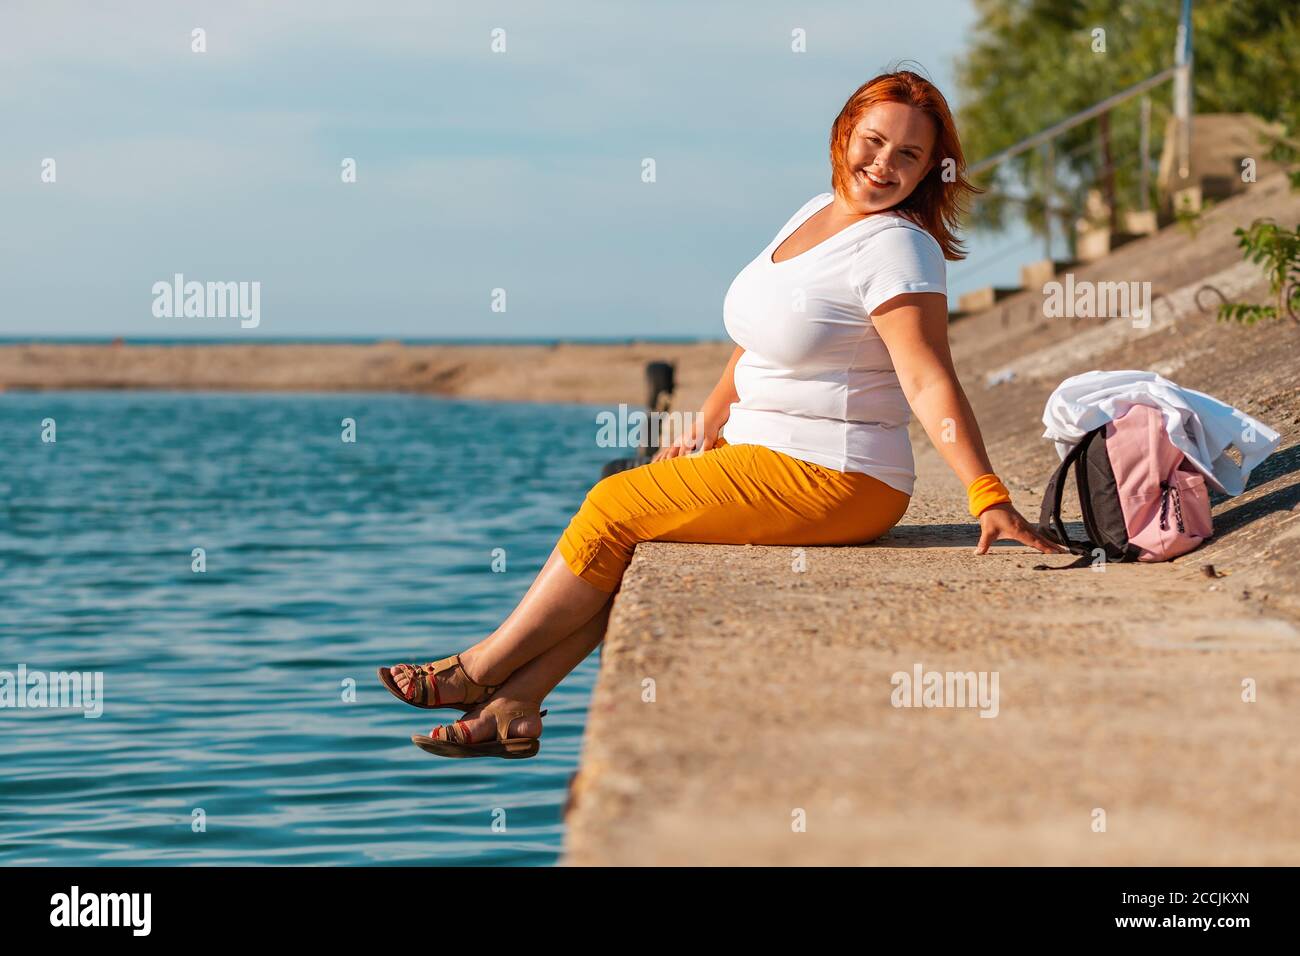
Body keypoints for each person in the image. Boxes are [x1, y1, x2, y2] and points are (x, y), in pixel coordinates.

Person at [379, 69, 1064, 760]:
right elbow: (757, 338)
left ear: (929, 171)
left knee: (613, 503)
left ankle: (478, 668)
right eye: (874, 141)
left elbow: (927, 377)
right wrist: (707, 421)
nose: (883, 165)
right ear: (843, 134)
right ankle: (515, 708)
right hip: (757, 452)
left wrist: (987, 493)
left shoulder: (897, 247)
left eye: (908, 156)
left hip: (840, 476)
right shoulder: (810, 213)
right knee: (637, 534)